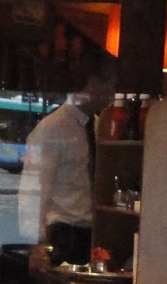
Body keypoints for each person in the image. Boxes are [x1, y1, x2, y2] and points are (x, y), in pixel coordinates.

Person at [25, 59, 116, 266]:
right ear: (93, 84)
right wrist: (37, 244)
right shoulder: (52, 128)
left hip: (92, 232)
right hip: (63, 232)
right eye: (111, 85)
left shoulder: (97, 125)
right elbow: (35, 191)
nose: (113, 93)